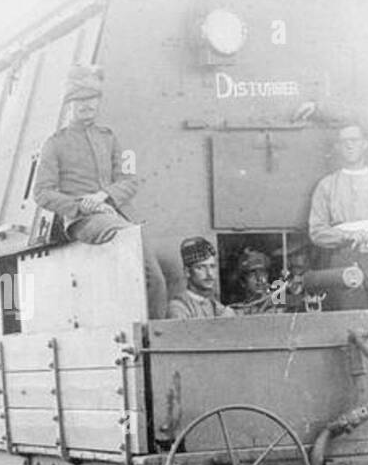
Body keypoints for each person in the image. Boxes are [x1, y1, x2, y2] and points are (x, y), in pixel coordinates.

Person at [33, 63, 169, 319]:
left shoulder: (109, 138)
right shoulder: (55, 144)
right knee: (131, 242)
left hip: (114, 213)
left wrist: (103, 196)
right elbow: (42, 192)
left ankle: (155, 334)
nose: (88, 105)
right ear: (69, 104)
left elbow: (129, 181)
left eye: (93, 98)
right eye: (80, 99)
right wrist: (80, 205)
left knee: (158, 275)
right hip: (84, 221)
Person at [308, 124, 368, 309]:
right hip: (343, 258)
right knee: (350, 322)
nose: (349, 146)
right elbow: (316, 232)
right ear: (337, 147)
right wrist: (346, 236)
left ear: (364, 144)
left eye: (354, 140)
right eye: (344, 142)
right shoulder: (327, 185)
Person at [168, 236, 237, 319]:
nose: (209, 273)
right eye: (201, 267)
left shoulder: (216, 306)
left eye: (212, 266)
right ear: (187, 272)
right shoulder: (178, 308)